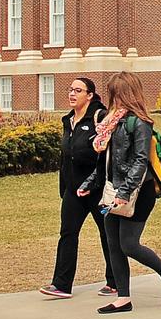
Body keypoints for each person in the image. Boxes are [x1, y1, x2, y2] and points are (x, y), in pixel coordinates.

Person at [78, 71, 161, 314]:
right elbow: (106, 162)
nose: (112, 98)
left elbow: (140, 161)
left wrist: (124, 192)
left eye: (116, 93)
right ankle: (123, 298)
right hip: (114, 189)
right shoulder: (110, 122)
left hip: (138, 192)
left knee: (129, 245)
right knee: (113, 244)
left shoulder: (140, 123)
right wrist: (90, 183)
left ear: (126, 94)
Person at [39, 78, 118, 299]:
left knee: (107, 234)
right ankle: (61, 285)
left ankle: (115, 281)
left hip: (97, 189)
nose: (72, 94)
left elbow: (108, 152)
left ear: (90, 95)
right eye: (70, 90)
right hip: (73, 190)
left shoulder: (100, 117)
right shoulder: (69, 120)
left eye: (78, 90)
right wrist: (64, 187)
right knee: (67, 233)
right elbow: (65, 157)